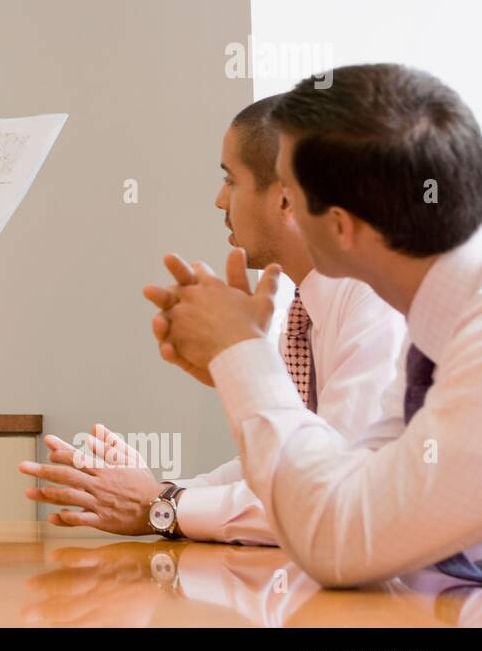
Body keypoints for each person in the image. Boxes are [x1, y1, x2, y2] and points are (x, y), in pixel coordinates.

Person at [148, 64, 482, 586]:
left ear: (339, 225)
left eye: (294, 196)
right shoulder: (433, 331)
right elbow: (349, 486)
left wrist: (241, 356)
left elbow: (340, 540)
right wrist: (242, 365)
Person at [19, 96, 403, 544]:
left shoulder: (378, 304)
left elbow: (328, 496)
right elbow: (285, 465)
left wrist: (161, 508)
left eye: (230, 179)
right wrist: (157, 497)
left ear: (285, 197)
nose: (220, 199)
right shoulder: (307, 309)